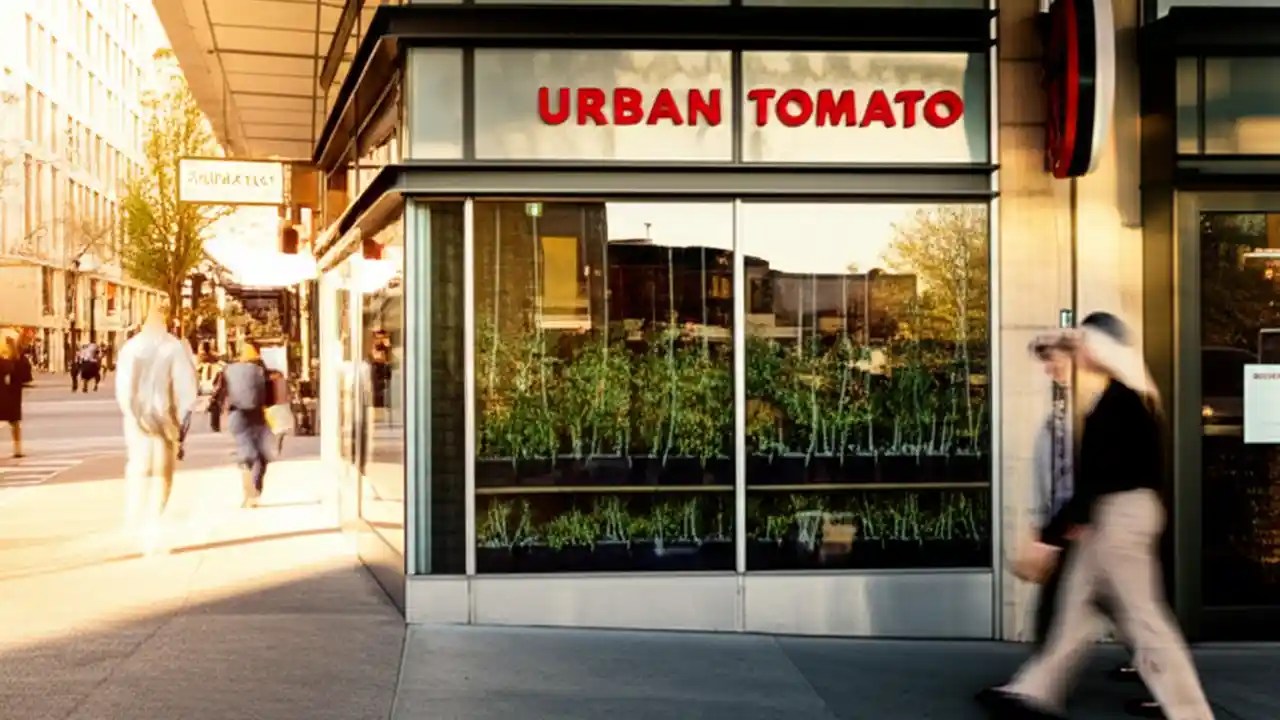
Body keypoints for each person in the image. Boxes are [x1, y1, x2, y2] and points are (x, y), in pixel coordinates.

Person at [979, 313, 1213, 720]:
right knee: (1077, 608)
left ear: (1103, 349)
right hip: (1113, 516)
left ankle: (1190, 712)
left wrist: (1047, 538)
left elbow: (1097, 479)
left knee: (1143, 619)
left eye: (1085, 344)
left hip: (1118, 516)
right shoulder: (1121, 397)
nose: (1079, 352)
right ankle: (1035, 691)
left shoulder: (1119, 402)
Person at [115, 307, 199, 554]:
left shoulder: (130, 348)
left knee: (139, 467)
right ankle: (153, 522)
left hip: (137, 418)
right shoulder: (173, 346)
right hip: (165, 417)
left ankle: (134, 517)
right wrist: (184, 417)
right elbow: (186, 387)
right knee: (163, 474)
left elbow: (122, 387)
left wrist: (130, 414)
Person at [223, 343, 273, 507]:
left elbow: (220, 393)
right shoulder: (262, 372)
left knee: (246, 455)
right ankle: (255, 491)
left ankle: (248, 494)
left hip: (237, 416)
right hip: (258, 415)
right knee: (259, 455)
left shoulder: (229, 370)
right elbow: (271, 398)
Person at [0, 339, 33, 458]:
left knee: (14, 423)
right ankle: (17, 449)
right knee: (14, 423)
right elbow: (26, 377)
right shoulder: (18, 361)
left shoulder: (13, 361)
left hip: (9, 395)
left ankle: (18, 449)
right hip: (12, 396)